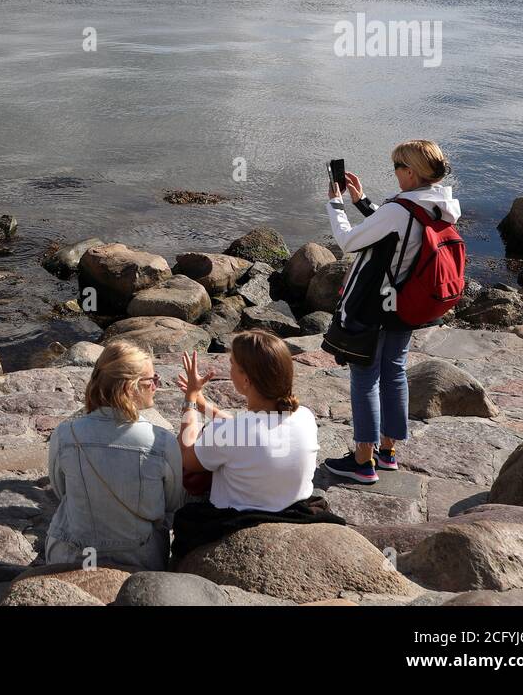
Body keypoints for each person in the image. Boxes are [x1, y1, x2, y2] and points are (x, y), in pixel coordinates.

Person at [321, 140, 461, 484]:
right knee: (394, 372)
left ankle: (363, 462)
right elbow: (400, 235)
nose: (395, 173)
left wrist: (335, 203)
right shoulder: (440, 205)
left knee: (365, 377)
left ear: (410, 172)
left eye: (397, 167)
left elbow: (349, 241)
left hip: (376, 303)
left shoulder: (400, 208)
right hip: (408, 303)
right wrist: (363, 202)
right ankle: (387, 452)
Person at [173, 331, 333, 560]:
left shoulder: (233, 432)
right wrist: (204, 406)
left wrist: (189, 401)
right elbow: (251, 432)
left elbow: (187, 455)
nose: (229, 370)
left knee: (190, 472)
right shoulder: (305, 417)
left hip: (235, 517)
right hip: (295, 509)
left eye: (232, 364)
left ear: (246, 379)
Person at [45, 343, 185, 570]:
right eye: (152, 380)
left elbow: (61, 491)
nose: (157, 386)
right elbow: (172, 502)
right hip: (140, 557)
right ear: (131, 388)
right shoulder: (161, 441)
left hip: (71, 556)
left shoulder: (65, 434)